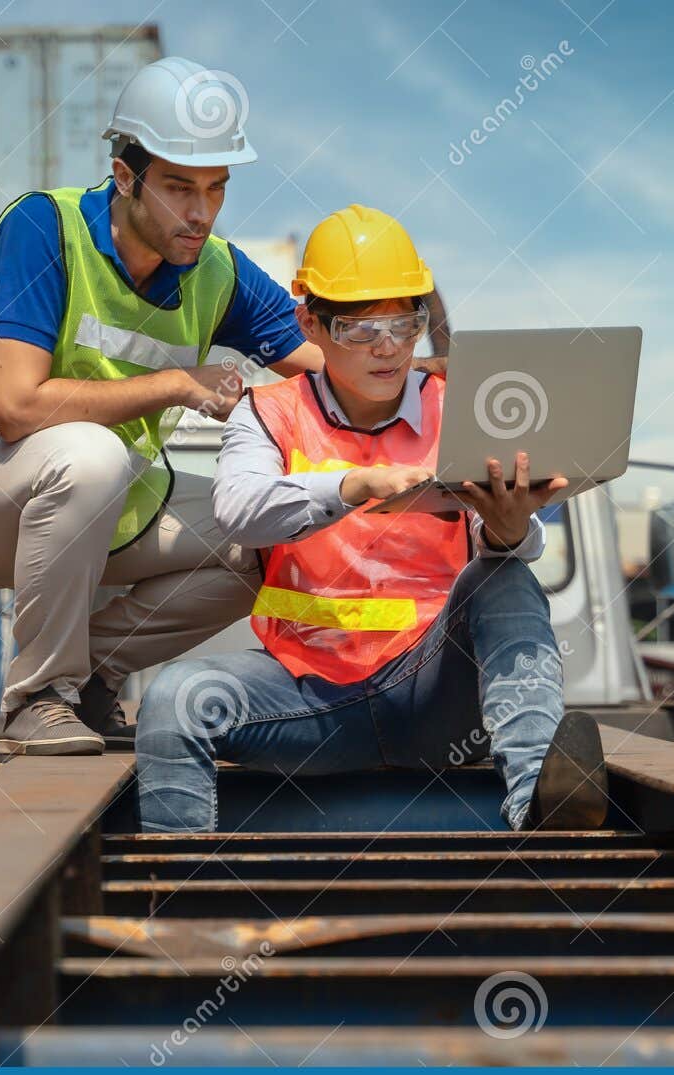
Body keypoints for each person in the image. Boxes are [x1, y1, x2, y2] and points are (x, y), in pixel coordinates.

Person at [0, 58, 326, 756]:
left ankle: (93, 669)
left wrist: (417, 368)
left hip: (106, 504)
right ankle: (37, 696)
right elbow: (17, 406)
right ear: (125, 176)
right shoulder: (45, 229)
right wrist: (179, 383)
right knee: (90, 454)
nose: (201, 213)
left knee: (272, 532)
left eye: (216, 190)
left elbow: (332, 369)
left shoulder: (217, 270)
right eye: (180, 188)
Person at [135, 206, 611, 832]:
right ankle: (177, 895)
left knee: (509, 578)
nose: (387, 348)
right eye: (361, 329)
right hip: (307, 699)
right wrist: (355, 484)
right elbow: (239, 509)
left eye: (404, 324)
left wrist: (508, 530)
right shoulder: (269, 413)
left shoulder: (461, 410)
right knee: (174, 697)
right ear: (311, 322)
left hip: (435, 695)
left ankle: (537, 809)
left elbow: (498, 552)